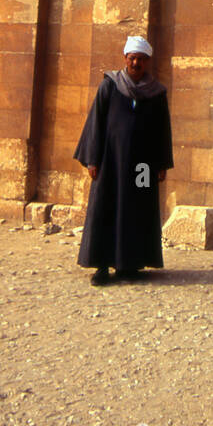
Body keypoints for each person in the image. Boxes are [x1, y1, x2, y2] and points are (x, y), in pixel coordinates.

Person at [74, 35, 173, 286]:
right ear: (125, 59)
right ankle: (102, 266)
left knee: (136, 209)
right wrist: (92, 160)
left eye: (141, 59)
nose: (136, 63)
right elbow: (96, 122)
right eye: (132, 58)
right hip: (112, 162)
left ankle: (129, 264)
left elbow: (163, 129)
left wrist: (161, 164)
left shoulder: (156, 92)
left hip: (142, 165)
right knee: (107, 207)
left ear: (147, 61)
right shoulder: (109, 86)